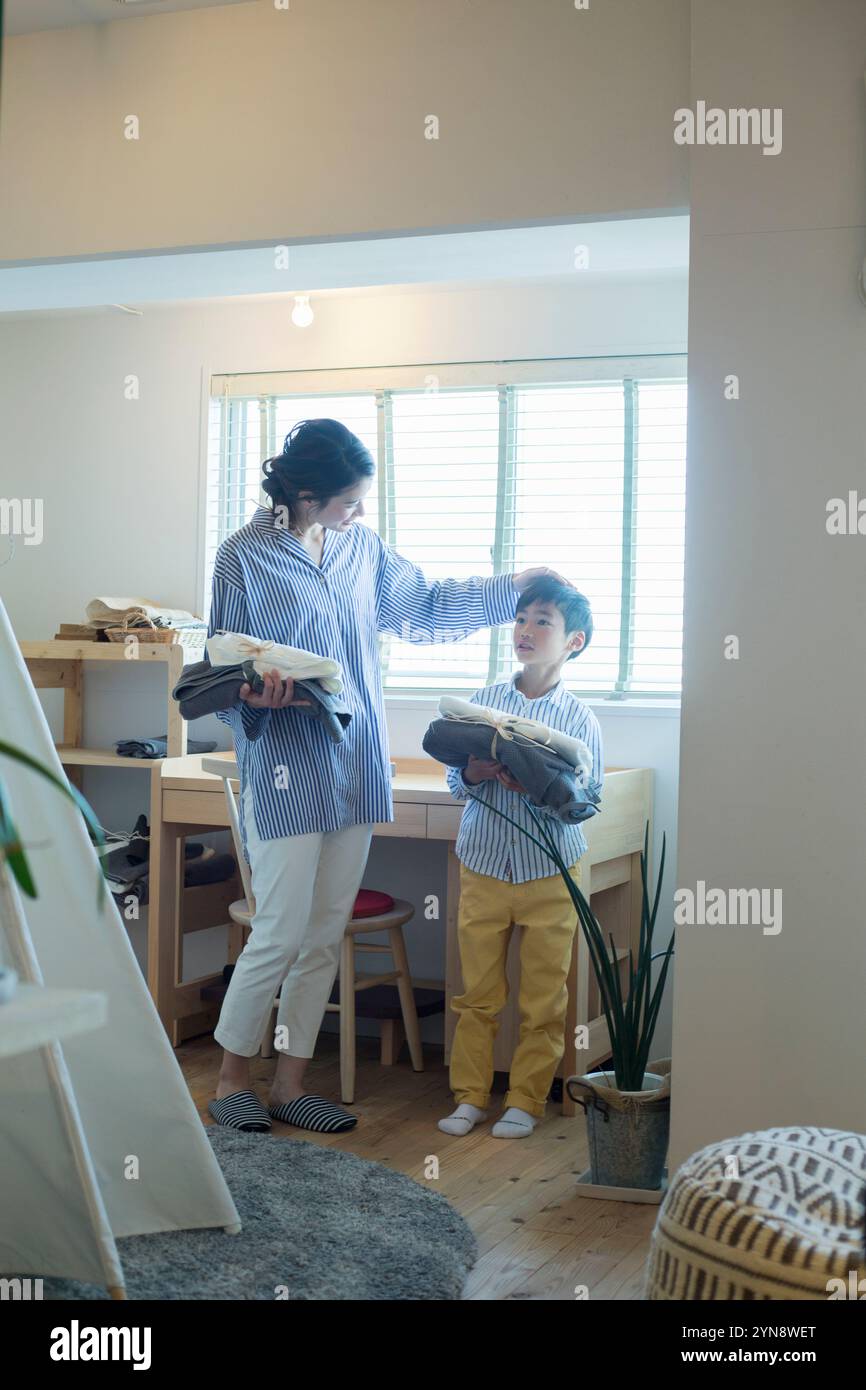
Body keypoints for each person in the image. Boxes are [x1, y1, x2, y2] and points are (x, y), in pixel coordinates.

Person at [207, 418, 567, 1135]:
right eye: (350, 499)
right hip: (284, 765)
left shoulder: (360, 550)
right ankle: (229, 1082)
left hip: (354, 764)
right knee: (277, 931)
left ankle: (291, 1081)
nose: (360, 512)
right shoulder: (242, 557)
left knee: (323, 932)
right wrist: (252, 695)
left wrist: (510, 591)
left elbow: (424, 607)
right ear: (307, 493)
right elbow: (219, 667)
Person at [438, 576, 603, 1139]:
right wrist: (475, 771)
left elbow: (589, 800)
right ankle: (469, 1097)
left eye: (543, 622)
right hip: (483, 862)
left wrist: (538, 786)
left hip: (551, 870)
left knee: (542, 997)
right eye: (521, 619)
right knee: (476, 993)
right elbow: (454, 781)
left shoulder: (580, 720)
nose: (526, 631)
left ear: (572, 641)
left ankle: (527, 1100)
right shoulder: (482, 703)